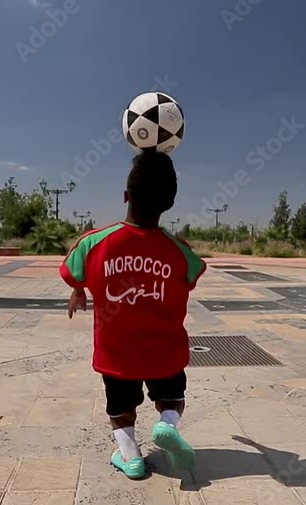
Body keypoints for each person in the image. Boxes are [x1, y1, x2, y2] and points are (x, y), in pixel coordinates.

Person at [59, 151, 206, 479]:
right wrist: (177, 249)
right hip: (164, 352)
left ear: (126, 196)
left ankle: (131, 458)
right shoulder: (178, 251)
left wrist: (78, 290)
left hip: (117, 355)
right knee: (172, 398)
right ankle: (167, 423)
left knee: (120, 408)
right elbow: (194, 272)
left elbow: (72, 271)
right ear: (169, 202)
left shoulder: (95, 242)